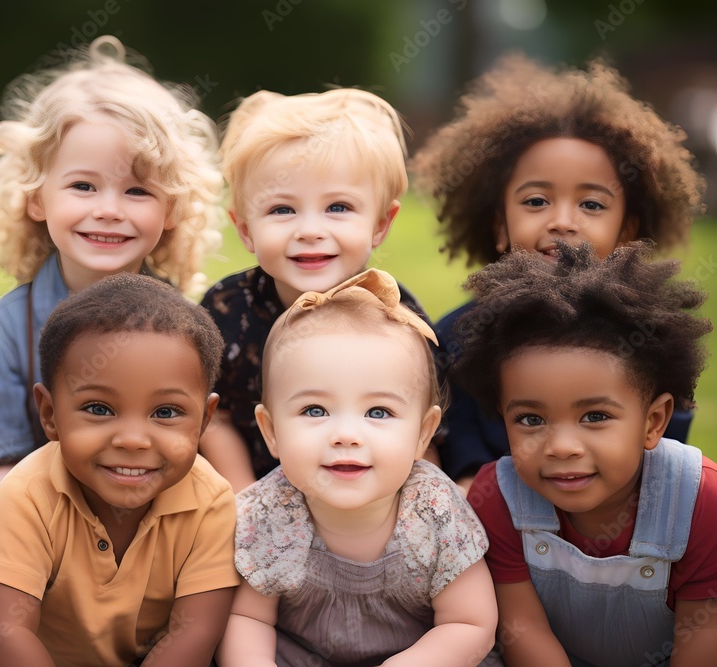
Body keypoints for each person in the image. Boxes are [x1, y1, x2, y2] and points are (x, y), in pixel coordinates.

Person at [409, 54, 706, 491]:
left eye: (591, 204)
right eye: (535, 201)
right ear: (498, 226)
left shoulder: (647, 336)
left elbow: (667, 442)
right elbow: (458, 448)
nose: (563, 221)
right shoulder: (460, 335)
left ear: (627, 230)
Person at [0, 35, 223, 526]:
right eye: (83, 186)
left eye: (137, 190)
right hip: (43, 518)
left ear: (172, 207)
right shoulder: (6, 329)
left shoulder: (188, 326)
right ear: (36, 198)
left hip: (157, 516)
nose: (108, 210)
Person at [218, 269, 499, 667]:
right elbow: (248, 618)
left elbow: (470, 624)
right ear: (271, 431)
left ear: (423, 434)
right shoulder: (267, 514)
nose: (346, 435)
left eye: (378, 411)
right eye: (315, 410)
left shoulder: (435, 509)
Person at [457, 243, 717, 666]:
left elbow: (701, 644)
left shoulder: (699, 502)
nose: (561, 447)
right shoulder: (498, 498)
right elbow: (526, 631)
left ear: (653, 421)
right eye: (530, 420)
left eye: (595, 416)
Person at [0, 273, 239, 667]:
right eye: (99, 409)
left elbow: (195, 632)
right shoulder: (28, 493)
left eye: (166, 413)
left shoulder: (210, 501)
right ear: (50, 414)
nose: (132, 440)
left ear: (204, 421)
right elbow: (6, 631)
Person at [200, 88, 429, 493]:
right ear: (245, 229)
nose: (309, 231)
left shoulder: (395, 316)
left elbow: (419, 424)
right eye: (282, 210)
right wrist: (241, 495)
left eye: (338, 207)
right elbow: (211, 414)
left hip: (365, 494)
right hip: (254, 487)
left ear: (380, 223)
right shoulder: (227, 310)